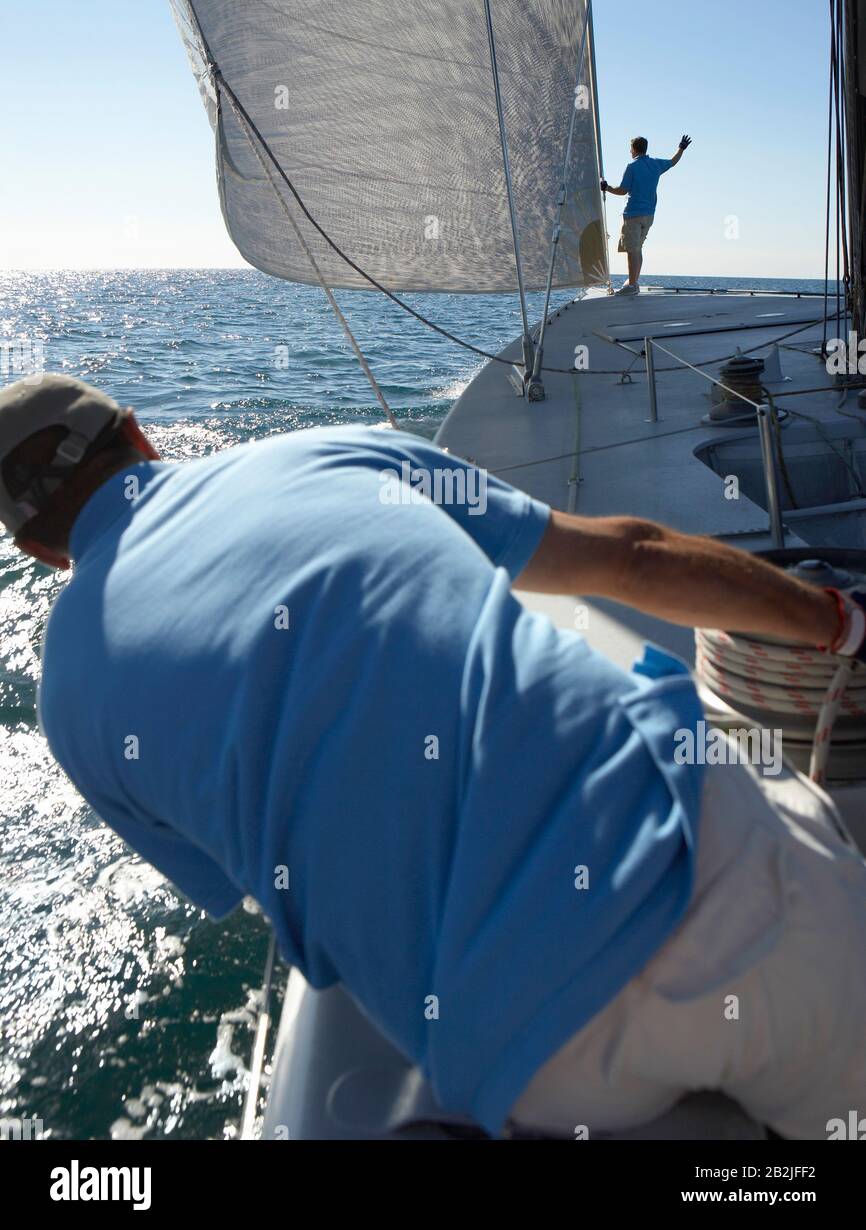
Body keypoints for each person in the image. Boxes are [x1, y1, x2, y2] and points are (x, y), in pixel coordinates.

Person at [3, 372, 866, 1140]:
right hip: (714, 879)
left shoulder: (67, 705)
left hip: (532, 1061)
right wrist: (836, 622)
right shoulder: (341, 453)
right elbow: (630, 556)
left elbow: (242, 881)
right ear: (140, 432)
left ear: (36, 548)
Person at [601, 134, 691, 297]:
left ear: (634, 149)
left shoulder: (632, 166)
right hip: (649, 215)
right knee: (638, 249)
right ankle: (633, 281)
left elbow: (622, 190)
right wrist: (681, 148)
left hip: (633, 214)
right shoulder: (655, 164)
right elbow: (673, 162)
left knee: (632, 250)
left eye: (630, 149)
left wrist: (606, 187)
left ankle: (633, 284)